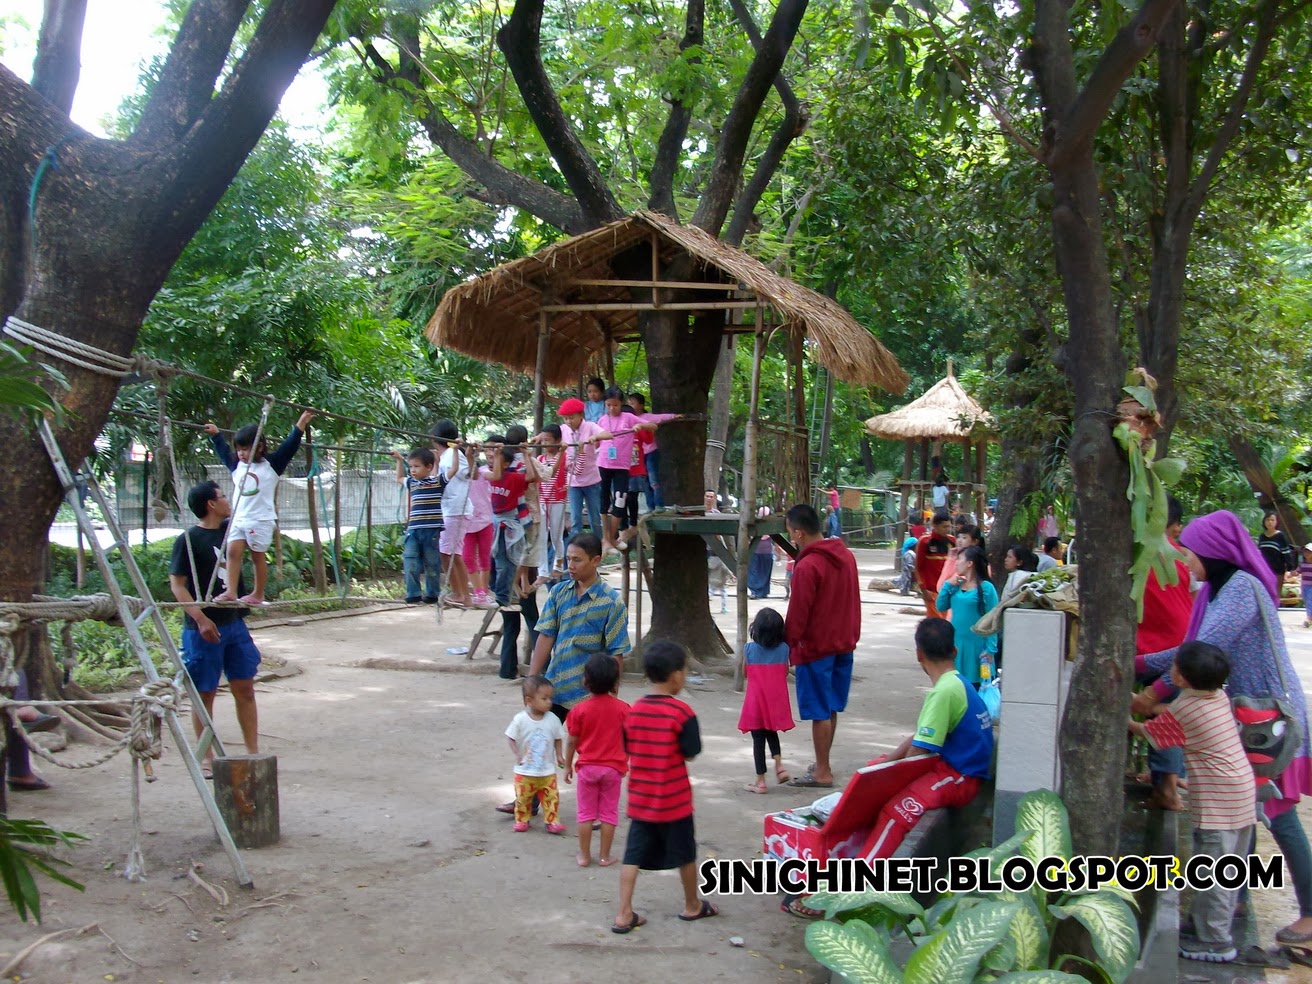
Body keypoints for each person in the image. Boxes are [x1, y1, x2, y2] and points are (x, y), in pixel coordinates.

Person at [1133, 510, 1312, 945]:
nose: (1186, 560)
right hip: (1250, 717)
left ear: (1214, 553)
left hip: (1268, 722)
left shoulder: (1240, 589)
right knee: (1246, 813)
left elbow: (1200, 652)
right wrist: (1136, 662)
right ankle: (1233, 900)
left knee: (1279, 815)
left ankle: (1311, 910)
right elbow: (1189, 649)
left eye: (1191, 553)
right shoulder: (1218, 590)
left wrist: (1153, 689)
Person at [1129, 641, 1254, 963]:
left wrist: (1120, 716)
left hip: (1218, 803)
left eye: (1173, 666)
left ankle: (1216, 941)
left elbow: (1151, 733)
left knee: (1215, 874)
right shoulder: (1216, 696)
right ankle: (1202, 926)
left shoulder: (1186, 709)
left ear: (1181, 678)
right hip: (1240, 793)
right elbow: (1166, 715)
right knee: (1226, 868)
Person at [860, 618, 993, 860]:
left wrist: (890, 777)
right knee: (877, 767)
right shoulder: (956, 682)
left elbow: (917, 754)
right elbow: (920, 736)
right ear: (954, 651)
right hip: (956, 770)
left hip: (960, 776)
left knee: (896, 813)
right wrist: (886, 762)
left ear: (919, 654)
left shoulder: (943, 692)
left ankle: (858, 876)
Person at [612, 641, 717, 933]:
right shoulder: (682, 713)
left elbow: (628, 747)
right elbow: (691, 752)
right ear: (677, 675)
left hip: (641, 800)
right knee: (686, 854)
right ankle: (692, 905)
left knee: (632, 856)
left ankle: (623, 913)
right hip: (675, 802)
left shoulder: (633, 712)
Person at [169, 480, 262, 777]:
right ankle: (207, 758)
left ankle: (253, 753)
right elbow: (177, 586)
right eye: (222, 496)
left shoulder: (232, 531)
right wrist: (200, 618)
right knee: (204, 694)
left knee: (245, 688)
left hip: (234, 623)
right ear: (211, 504)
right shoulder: (188, 540)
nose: (227, 500)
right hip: (203, 630)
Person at [783, 504, 860, 789]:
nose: (790, 537)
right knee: (831, 707)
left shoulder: (807, 566)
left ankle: (822, 771)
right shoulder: (847, 556)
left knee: (819, 710)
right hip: (844, 643)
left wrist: (788, 646)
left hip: (816, 648)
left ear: (798, 533)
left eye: (789, 532)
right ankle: (822, 763)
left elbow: (798, 614)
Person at [203, 409, 314, 605]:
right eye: (239, 449)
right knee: (232, 552)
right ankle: (231, 592)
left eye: (245, 449)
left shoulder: (272, 464)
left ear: (260, 447)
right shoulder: (236, 465)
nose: (241, 454)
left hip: (260, 519)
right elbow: (223, 452)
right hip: (239, 518)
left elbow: (289, 446)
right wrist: (216, 435)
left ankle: (258, 594)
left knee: (257, 556)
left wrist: (301, 424)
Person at [528, 533, 631, 719]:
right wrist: (531, 679)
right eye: (568, 559)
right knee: (542, 735)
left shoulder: (612, 602)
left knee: (587, 740)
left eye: (577, 560)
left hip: (589, 696)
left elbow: (616, 651)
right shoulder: (558, 593)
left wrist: (611, 697)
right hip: (554, 690)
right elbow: (546, 635)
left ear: (595, 560)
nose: (570, 565)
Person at [1135, 495, 1193, 812]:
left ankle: (1168, 788)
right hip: (1179, 644)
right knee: (1167, 714)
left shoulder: (1136, 551)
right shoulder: (1184, 557)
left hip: (1152, 649)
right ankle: (1166, 778)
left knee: (1163, 715)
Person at [564, 653, 629, 867]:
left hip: (587, 768)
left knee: (586, 814)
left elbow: (572, 741)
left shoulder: (579, 710)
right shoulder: (624, 709)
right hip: (613, 769)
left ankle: (584, 856)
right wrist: (626, 760)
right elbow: (630, 739)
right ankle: (604, 856)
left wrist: (568, 765)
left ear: (586, 681)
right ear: (616, 683)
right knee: (609, 814)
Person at [596, 387, 665, 552]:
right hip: (603, 464)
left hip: (622, 466)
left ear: (621, 403)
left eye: (615, 405)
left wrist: (640, 426)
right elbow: (596, 442)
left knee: (620, 499)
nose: (612, 408)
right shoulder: (602, 420)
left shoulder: (628, 417)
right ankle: (606, 539)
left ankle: (611, 538)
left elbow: (653, 426)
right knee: (604, 500)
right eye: (608, 405)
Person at [738, 607, 794, 793]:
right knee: (771, 731)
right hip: (775, 700)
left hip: (756, 701)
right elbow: (785, 672)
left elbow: (745, 673)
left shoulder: (749, 649)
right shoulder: (784, 649)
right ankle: (779, 765)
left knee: (758, 739)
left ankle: (760, 781)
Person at [504, 675, 567, 834]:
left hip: (547, 771)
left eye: (550, 698)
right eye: (544, 698)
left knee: (551, 797)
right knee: (523, 798)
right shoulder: (520, 719)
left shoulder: (553, 719)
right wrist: (517, 753)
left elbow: (558, 738)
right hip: (524, 771)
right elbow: (510, 737)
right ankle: (522, 819)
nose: (549, 702)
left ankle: (552, 821)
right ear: (529, 701)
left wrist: (559, 755)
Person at [936, 546, 999, 686]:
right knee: (955, 685)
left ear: (970, 563)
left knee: (978, 688)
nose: (956, 563)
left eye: (959, 559)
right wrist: (948, 584)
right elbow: (940, 606)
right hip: (956, 645)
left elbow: (993, 620)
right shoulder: (956, 585)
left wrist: (990, 650)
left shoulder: (986, 588)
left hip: (978, 648)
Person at [557, 397, 612, 542]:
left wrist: (595, 437)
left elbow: (608, 434)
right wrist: (538, 438)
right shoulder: (562, 430)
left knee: (595, 518)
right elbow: (548, 434)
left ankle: (599, 545)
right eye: (565, 418)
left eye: (571, 418)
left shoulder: (590, 426)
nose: (568, 421)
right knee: (575, 518)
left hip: (591, 480)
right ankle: (574, 549)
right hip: (573, 482)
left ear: (581, 415)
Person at [432, 419, 473, 608]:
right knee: (451, 553)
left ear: (435, 438)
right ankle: (463, 594)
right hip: (451, 508)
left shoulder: (453, 454)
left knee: (447, 553)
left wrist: (463, 452)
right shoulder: (446, 456)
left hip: (456, 509)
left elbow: (466, 473)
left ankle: (461, 594)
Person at [400, 448, 445, 604]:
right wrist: (399, 460)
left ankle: (432, 593)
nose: (412, 470)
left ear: (428, 467)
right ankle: (413, 593)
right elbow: (399, 477)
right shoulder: (411, 483)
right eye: (411, 466)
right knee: (410, 560)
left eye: (416, 466)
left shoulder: (437, 482)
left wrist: (439, 458)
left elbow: (451, 471)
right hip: (413, 530)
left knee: (432, 563)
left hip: (431, 530)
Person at [460, 442, 498, 609]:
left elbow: (493, 475)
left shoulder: (482, 472)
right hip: (467, 522)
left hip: (484, 520)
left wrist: (472, 455)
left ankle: (482, 592)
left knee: (484, 557)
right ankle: (478, 592)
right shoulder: (458, 475)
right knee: (467, 558)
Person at [535, 426, 570, 577]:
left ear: (557, 440)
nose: (544, 443)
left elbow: (576, 470)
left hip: (558, 500)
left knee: (556, 535)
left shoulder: (565, 457)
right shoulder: (540, 459)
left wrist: (581, 452)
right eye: (542, 440)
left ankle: (559, 563)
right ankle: (542, 570)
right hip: (542, 500)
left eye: (547, 440)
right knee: (541, 537)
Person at [627, 392, 667, 510]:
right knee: (644, 481)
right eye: (629, 404)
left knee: (653, 479)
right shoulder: (628, 420)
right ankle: (650, 507)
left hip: (651, 452)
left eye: (633, 403)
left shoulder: (646, 418)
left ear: (641, 405)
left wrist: (675, 416)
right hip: (639, 455)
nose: (630, 406)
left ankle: (659, 505)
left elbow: (662, 417)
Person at [914, 510, 955, 619]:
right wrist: (923, 589)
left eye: (949, 526)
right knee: (936, 622)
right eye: (944, 527)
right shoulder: (924, 541)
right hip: (931, 591)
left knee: (947, 621)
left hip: (948, 590)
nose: (947, 529)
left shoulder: (952, 541)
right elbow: (918, 567)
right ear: (935, 526)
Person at [1258, 510, 1296, 585]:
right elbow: (1260, 553)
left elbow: (1286, 553)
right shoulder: (1262, 536)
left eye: (1272, 520)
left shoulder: (1280, 536)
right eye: (1267, 520)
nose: (1270, 522)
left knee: (1276, 591)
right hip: (1265, 570)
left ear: (1276, 522)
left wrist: (1290, 569)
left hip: (1278, 571)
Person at [748, 509, 775, 599]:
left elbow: (776, 542)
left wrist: (778, 553)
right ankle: (755, 592)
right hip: (756, 552)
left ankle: (763, 592)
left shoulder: (771, 526)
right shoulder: (754, 525)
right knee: (754, 573)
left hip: (766, 553)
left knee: (764, 573)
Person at [1300, 542, 1312, 629]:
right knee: (1306, 601)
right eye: (1305, 551)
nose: (1306, 554)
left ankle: (1308, 618)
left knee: (1310, 601)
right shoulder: (1302, 564)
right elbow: (1297, 571)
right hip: (1304, 586)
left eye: (1309, 552)